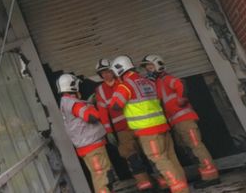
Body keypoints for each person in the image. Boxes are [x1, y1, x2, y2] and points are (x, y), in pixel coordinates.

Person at [108, 56, 189, 193]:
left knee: (160, 161)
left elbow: (115, 106)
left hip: (148, 132)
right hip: (163, 126)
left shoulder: (126, 85)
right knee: (171, 158)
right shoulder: (147, 81)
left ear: (119, 70)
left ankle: (179, 190)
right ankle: (183, 187)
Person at [143, 54, 221, 188]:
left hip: (184, 119)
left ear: (158, 65)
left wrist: (182, 98)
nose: (148, 70)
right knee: (191, 147)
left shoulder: (167, 79)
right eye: (147, 68)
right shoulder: (159, 82)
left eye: (150, 66)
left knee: (196, 146)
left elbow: (181, 85)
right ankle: (204, 172)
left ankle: (211, 175)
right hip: (176, 121)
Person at [93, 59, 155, 191]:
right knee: (132, 158)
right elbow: (103, 112)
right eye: (102, 72)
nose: (106, 74)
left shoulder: (123, 83)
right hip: (122, 130)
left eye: (108, 71)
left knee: (152, 152)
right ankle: (145, 185)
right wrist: (109, 131)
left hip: (138, 123)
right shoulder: (101, 91)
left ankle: (161, 179)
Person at [58, 73, 117, 193]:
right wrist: (95, 107)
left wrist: (87, 103)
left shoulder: (68, 102)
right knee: (101, 177)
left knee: (104, 175)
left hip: (90, 146)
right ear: (72, 86)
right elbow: (90, 116)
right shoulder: (72, 102)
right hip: (92, 147)